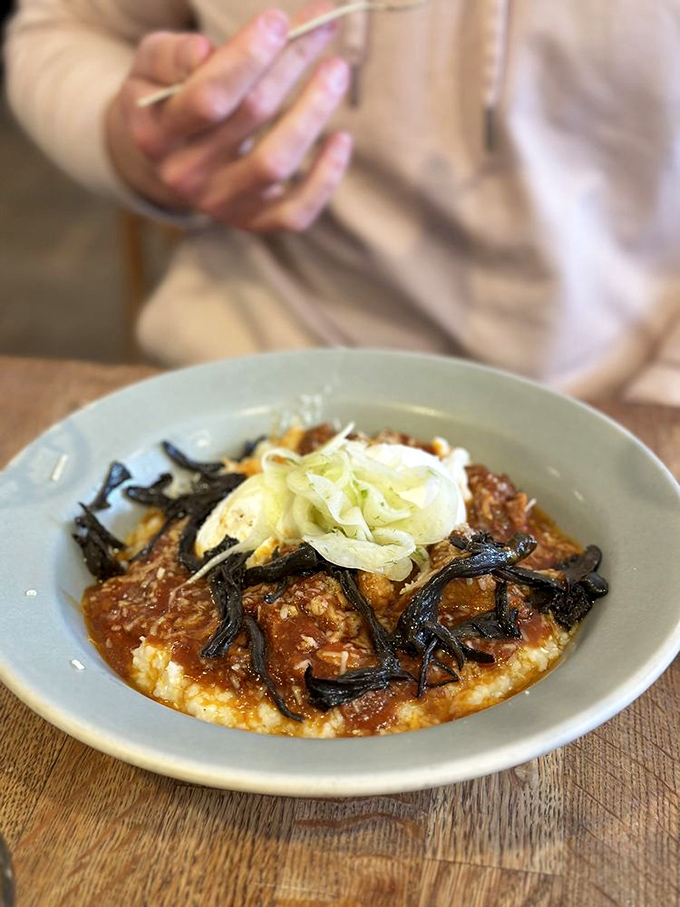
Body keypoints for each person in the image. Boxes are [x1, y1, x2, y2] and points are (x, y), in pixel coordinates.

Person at [6, 0, 680, 404]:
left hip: (612, 397)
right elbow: (64, 26)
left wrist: (658, 415)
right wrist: (140, 147)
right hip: (239, 369)